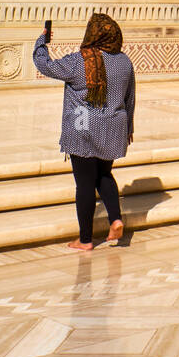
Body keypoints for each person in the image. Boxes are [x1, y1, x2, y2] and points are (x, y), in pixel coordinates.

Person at [33, 13, 135, 252]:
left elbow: (45, 65)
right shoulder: (124, 62)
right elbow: (130, 98)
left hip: (83, 129)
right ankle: (116, 220)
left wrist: (42, 42)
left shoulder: (79, 61)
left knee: (85, 184)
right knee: (105, 175)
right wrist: (128, 127)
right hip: (113, 128)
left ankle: (86, 239)